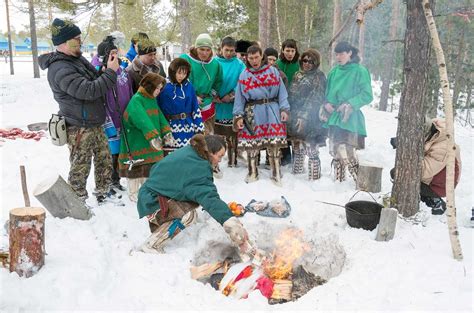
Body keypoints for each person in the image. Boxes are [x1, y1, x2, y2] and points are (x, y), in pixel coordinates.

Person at [39, 18, 119, 204]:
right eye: (76, 39)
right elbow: (88, 91)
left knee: (104, 158)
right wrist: (111, 73)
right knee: (80, 166)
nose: (80, 42)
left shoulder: (76, 59)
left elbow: (94, 79)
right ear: (63, 43)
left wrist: (106, 69)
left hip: (94, 121)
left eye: (80, 38)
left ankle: (104, 192)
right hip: (78, 126)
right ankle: (77, 201)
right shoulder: (60, 68)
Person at [137, 134, 254, 256]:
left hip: (150, 194)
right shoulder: (199, 168)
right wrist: (231, 223)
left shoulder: (190, 152)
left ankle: (163, 226)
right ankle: (151, 244)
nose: (220, 160)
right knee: (188, 215)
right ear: (210, 153)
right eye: (219, 156)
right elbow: (209, 198)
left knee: (190, 205)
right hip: (152, 201)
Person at [233, 45, 290, 186]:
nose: (254, 61)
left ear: (261, 56)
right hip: (252, 112)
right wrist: (238, 116)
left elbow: (282, 93)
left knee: (274, 145)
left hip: (271, 110)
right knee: (252, 146)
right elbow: (239, 98)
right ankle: (253, 172)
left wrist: (284, 109)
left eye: (256, 57)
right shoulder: (244, 75)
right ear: (247, 58)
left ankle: (275, 172)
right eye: (251, 58)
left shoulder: (273, 72)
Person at [320, 41, 373, 182]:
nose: (338, 57)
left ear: (349, 53)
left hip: (350, 117)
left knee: (348, 152)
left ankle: (360, 183)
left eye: (341, 54)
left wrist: (350, 103)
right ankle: (339, 182)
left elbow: (367, 95)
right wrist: (326, 104)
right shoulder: (333, 72)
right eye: (336, 54)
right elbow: (326, 93)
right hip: (334, 116)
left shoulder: (360, 71)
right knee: (337, 152)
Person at [118, 73, 174, 202]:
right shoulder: (137, 100)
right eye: (157, 88)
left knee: (149, 169)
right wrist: (153, 136)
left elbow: (160, 116)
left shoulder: (151, 100)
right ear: (149, 87)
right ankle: (133, 193)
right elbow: (142, 120)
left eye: (160, 89)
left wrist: (166, 132)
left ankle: (147, 191)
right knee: (136, 169)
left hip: (148, 144)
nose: (159, 91)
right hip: (137, 142)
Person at [390, 118, 462, 215]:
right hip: (432, 178)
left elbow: (423, 171)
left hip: (440, 185)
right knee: (400, 174)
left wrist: (406, 151)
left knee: (402, 175)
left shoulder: (444, 146)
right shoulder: (431, 132)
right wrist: (403, 142)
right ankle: (425, 197)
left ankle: (435, 201)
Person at [96, 36, 134, 191]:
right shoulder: (101, 75)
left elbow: (129, 92)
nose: (115, 56)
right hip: (110, 119)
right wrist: (107, 122)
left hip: (123, 117)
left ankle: (117, 179)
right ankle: (108, 182)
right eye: (112, 53)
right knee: (110, 153)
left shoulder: (123, 71)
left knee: (119, 152)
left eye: (116, 53)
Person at [287, 49, 327, 180]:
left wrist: (304, 116)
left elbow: (315, 97)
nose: (307, 63)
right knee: (297, 147)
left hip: (312, 118)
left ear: (316, 63)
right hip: (295, 116)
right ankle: (296, 175)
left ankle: (314, 178)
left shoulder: (319, 76)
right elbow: (291, 95)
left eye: (311, 61)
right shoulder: (297, 74)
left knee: (311, 149)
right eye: (305, 60)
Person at [180, 33, 223, 135]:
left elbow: (218, 82)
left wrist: (211, 95)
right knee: (191, 139)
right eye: (201, 49)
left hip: (206, 104)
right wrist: (193, 96)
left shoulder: (215, 64)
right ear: (196, 48)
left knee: (207, 139)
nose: (205, 53)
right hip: (187, 103)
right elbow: (178, 81)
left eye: (208, 50)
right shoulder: (185, 59)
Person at [157, 57, 204, 150]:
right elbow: (158, 110)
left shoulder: (189, 86)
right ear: (172, 71)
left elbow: (195, 108)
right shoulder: (164, 87)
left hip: (188, 127)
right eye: (179, 73)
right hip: (170, 127)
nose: (181, 76)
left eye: (184, 73)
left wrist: (199, 129)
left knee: (186, 155)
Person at [215, 36, 246, 168]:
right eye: (226, 50)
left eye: (232, 50)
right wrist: (214, 94)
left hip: (232, 105)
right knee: (217, 135)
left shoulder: (239, 64)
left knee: (232, 136)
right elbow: (210, 80)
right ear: (221, 48)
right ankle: (216, 161)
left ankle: (232, 162)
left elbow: (243, 82)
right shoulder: (214, 62)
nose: (229, 53)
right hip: (217, 104)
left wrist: (232, 95)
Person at [276, 39, 300, 167]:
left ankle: (297, 156)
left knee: (295, 129)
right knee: (282, 128)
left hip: (296, 101)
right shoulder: (278, 63)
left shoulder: (299, 64)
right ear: (283, 50)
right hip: (281, 101)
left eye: (292, 51)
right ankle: (285, 156)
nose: (290, 53)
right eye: (287, 50)